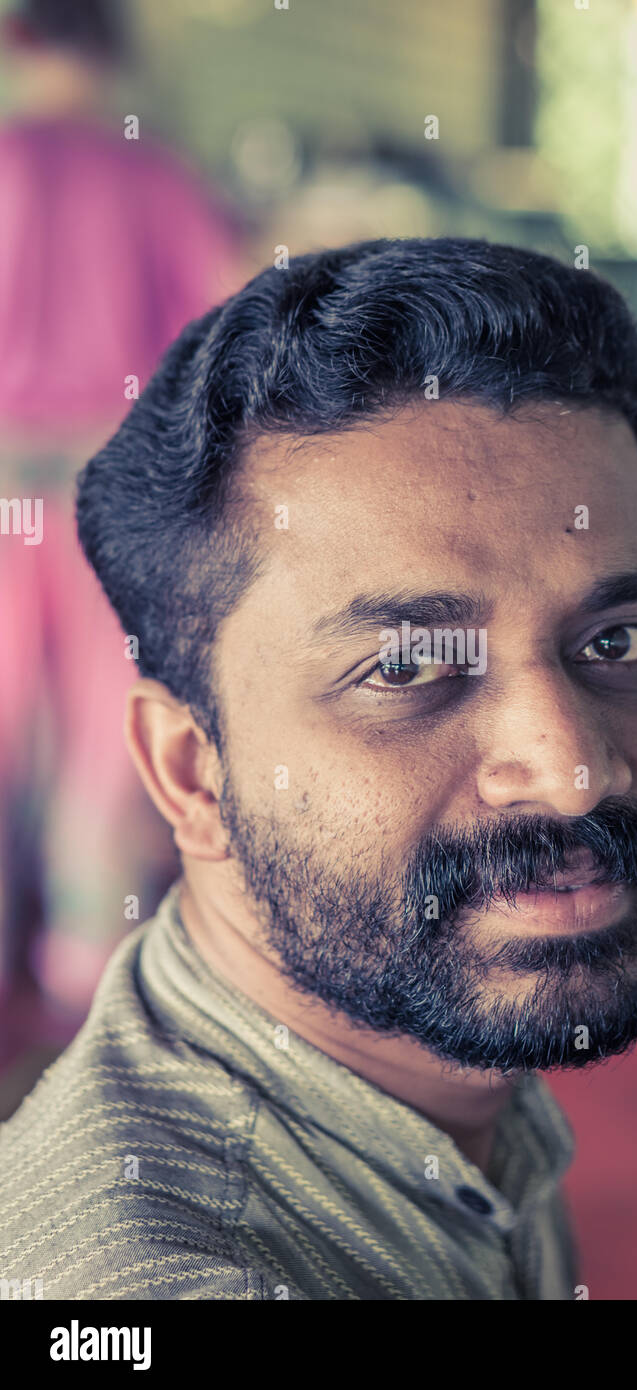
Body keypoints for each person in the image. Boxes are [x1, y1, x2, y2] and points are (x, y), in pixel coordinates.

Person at [0, 238, 637, 1300]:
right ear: (192, 773)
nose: (570, 772)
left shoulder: (439, 1086)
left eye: (615, 641)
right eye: (409, 666)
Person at [0, 0, 247, 1021]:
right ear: (112, 55)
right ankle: (80, 967)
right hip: (113, 480)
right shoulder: (158, 177)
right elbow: (218, 337)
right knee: (109, 736)